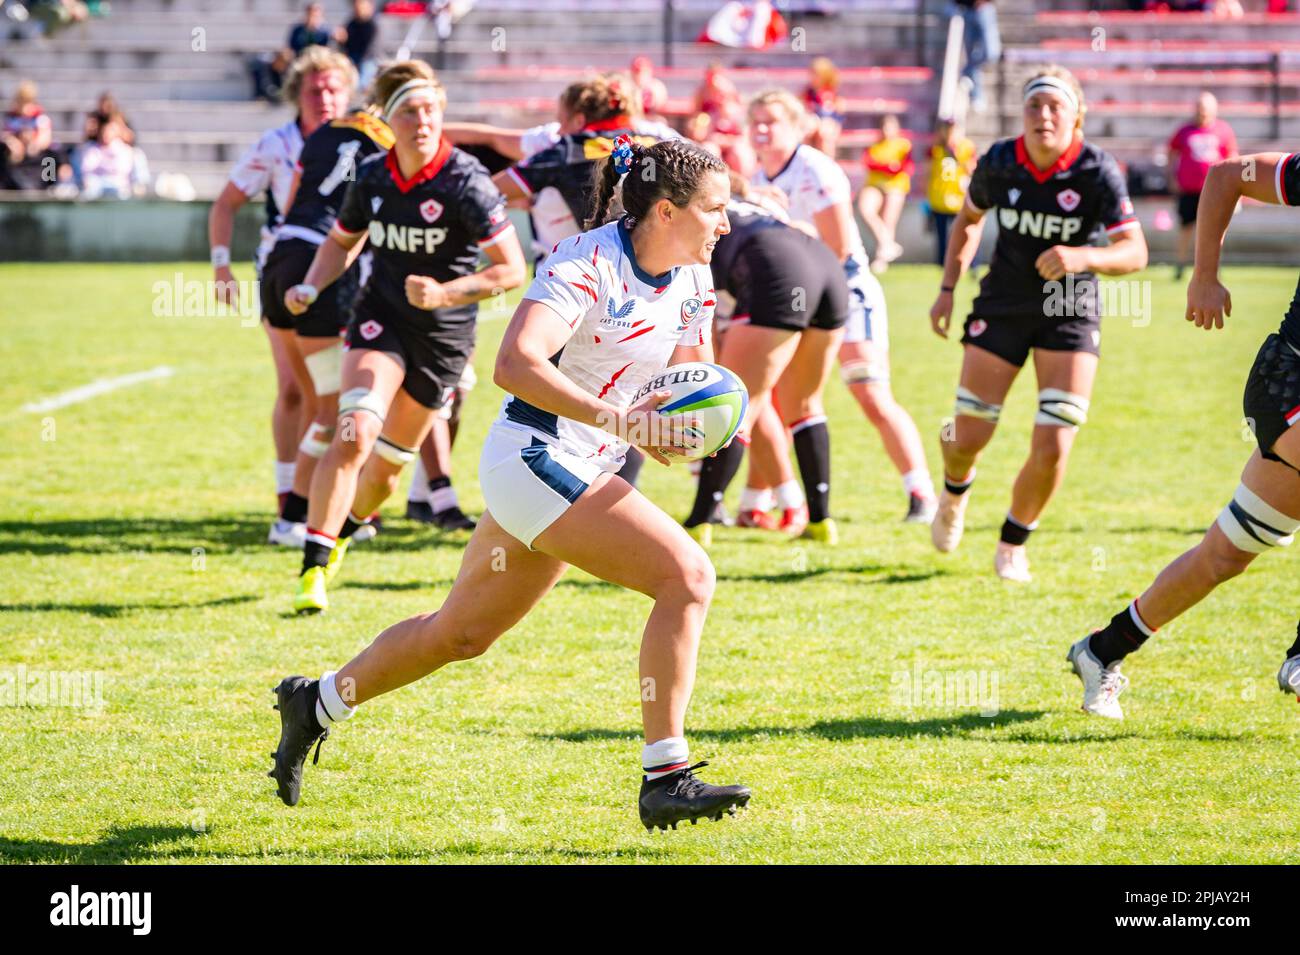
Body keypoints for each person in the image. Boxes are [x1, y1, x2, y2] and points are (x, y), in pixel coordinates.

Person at [268, 135, 752, 831]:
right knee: (689, 576)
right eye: (716, 209)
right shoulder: (587, 262)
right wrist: (624, 420)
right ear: (669, 211)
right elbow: (515, 363)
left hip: (581, 462)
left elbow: (691, 371)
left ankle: (314, 703)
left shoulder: (693, 277)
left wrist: (702, 419)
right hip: (533, 455)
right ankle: (665, 775)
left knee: (459, 634)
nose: (726, 223)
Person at [284, 60, 526, 615]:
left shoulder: (466, 180)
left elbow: (511, 270)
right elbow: (343, 241)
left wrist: (444, 293)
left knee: (387, 474)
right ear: (390, 121)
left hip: (442, 338)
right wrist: (311, 284)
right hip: (381, 320)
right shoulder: (371, 175)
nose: (423, 121)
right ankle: (311, 570)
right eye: (411, 111)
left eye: (432, 110)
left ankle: (344, 531)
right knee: (353, 432)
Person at [1067, 150, 1300, 718]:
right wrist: (1203, 277)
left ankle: (1102, 649)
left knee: (1225, 555)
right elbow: (1223, 177)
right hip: (1290, 378)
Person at [928, 66, 1148, 582]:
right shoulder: (1000, 160)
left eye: (1055, 107)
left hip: (1068, 310)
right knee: (965, 435)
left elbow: (1134, 251)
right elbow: (968, 220)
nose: (1044, 116)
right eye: (1034, 106)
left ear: (1077, 117)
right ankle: (955, 489)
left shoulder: (1098, 171)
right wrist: (946, 291)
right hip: (1002, 304)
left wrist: (1082, 258)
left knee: (1055, 442)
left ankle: (1012, 543)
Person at [749, 89, 937, 527]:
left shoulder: (815, 169)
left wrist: (784, 229)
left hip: (844, 291)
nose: (760, 128)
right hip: (798, 298)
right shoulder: (759, 175)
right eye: (755, 119)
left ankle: (921, 492)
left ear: (798, 127)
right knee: (778, 398)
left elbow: (836, 248)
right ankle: (761, 500)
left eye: (771, 120)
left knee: (870, 392)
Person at [208, 46, 354, 546]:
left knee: (335, 396)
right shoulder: (277, 143)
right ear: (297, 94)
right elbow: (226, 202)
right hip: (286, 273)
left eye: (333, 87)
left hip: (346, 276)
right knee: (301, 391)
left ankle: (321, 507)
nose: (325, 97)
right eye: (314, 89)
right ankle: (289, 506)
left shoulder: (359, 140)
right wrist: (220, 264)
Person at [259, 92, 394, 544]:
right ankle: (297, 518)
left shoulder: (321, 133)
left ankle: (300, 511)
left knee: (316, 400)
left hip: (281, 259)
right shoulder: (389, 146)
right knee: (336, 407)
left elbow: (295, 195)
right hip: (321, 266)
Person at [684, 176, 847, 547]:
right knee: (804, 405)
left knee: (735, 405)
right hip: (823, 266)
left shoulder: (682, 212)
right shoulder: (750, 203)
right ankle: (820, 521)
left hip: (778, 268)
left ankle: (698, 522)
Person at [1167, 91, 1237, 281]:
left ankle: (1214, 269)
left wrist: (1233, 188)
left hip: (1215, 190)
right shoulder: (1184, 130)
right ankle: (1180, 266)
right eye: (1200, 108)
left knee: (1215, 231)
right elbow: (1172, 154)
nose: (1202, 112)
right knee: (1186, 228)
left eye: (1206, 109)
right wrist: (1172, 178)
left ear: (1214, 110)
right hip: (1189, 189)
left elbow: (1232, 158)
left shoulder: (1223, 130)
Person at [858, 114, 913, 272]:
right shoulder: (874, 146)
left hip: (896, 185)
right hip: (875, 184)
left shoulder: (903, 145)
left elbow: (904, 167)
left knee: (888, 219)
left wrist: (887, 168)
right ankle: (888, 244)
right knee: (866, 209)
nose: (886, 130)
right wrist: (888, 167)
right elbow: (869, 163)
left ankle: (882, 259)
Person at [926, 116, 977, 267]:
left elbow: (972, 169)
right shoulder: (934, 149)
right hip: (939, 199)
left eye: (952, 128)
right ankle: (942, 265)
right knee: (942, 237)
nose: (949, 132)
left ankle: (970, 263)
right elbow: (927, 173)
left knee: (964, 233)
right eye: (946, 128)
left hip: (959, 200)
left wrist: (955, 154)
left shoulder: (966, 146)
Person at [1, 79, 53, 190]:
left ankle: (49, 187)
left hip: (35, 159)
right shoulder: (11, 118)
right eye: (21, 101)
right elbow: (5, 135)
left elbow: (44, 141)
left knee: (52, 157)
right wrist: (13, 143)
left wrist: (32, 145)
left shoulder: (41, 119)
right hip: (16, 159)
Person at [952, 0, 1001, 114]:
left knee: (991, 53)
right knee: (972, 54)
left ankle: (966, 70)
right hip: (966, 11)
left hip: (985, 9)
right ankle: (977, 96)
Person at [803, 56, 845, 157]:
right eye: (812, 74)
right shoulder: (808, 92)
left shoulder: (832, 92)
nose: (813, 78)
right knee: (807, 130)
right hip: (814, 121)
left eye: (816, 74)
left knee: (825, 134)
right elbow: (805, 109)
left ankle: (828, 164)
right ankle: (806, 161)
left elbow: (839, 112)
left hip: (829, 123)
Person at [336, 0, 378, 91]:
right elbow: (345, 46)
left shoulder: (373, 25)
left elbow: (370, 49)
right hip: (352, 57)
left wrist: (356, 63)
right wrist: (341, 40)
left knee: (361, 81)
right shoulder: (351, 24)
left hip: (368, 59)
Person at [630, 55, 669, 122]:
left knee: (661, 121)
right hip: (634, 120)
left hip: (651, 120)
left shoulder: (657, 87)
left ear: (649, 71)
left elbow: (659, 107)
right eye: (637, 72)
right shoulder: (628, 86)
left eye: (643, 71)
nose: (640, 75)